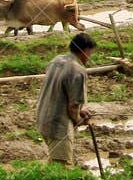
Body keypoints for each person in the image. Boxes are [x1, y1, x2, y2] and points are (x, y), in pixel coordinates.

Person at [36, 32, 95, 166]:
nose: (89, 57)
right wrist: (80, 120)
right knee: (62, 167)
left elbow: (61, 92)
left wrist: (81, 111)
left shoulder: (56, 60)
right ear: (85, 51)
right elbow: (73, 106)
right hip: (59, 126)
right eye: (90, 53)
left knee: (54, 160)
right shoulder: (78, 71)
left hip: (43, 117)